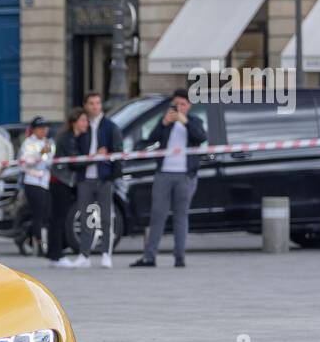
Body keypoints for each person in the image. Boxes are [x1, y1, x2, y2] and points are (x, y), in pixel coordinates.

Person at [132, 89, 206, 268]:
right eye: (175, 104)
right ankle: (150, 256)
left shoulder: (195, 121)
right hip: (164, 173)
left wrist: (185, 121)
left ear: (189, 106)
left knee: (181, 215)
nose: (178, 108)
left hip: (185, 175)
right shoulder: (166, 122)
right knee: (158, 215)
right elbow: (151, 139)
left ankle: (179, 257)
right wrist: (164, 123)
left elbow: (200, 137)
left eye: (182, 104)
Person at [72, 91, 122, 268]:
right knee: (85, 217)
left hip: (103, 178)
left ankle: (106, 254)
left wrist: (112, 176)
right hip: (85, 178)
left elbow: (118, 151)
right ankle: (84, 254)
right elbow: (75, 151)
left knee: (106, 217)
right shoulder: (82, 125)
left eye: (97, 103)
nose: (94, 106)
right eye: (91, 103)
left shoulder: (110, 126)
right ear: (86, 106)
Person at [49, 108, 89, 267]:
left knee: (62, 218)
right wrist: (94, 158)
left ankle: (57, 254)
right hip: (61, 181)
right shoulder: (67, 139)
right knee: (58, 219)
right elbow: (75, 162)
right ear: (75, 122)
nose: (86, 123)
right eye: (83, 120)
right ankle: (57, 255)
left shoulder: (76, 138)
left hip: (67, 181)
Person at [18, 117, 54, 255]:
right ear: (33, 129)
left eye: (45, 127)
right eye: (40, 128)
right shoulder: (28, 143)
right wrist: (41, 154)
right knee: (38, 214)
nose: (43, 130)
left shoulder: (49, 142)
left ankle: (23, 236)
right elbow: (25, 163)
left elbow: (50, 162)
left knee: (46, 213)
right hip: (32, 181)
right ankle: (39, 244)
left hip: (45, 182)